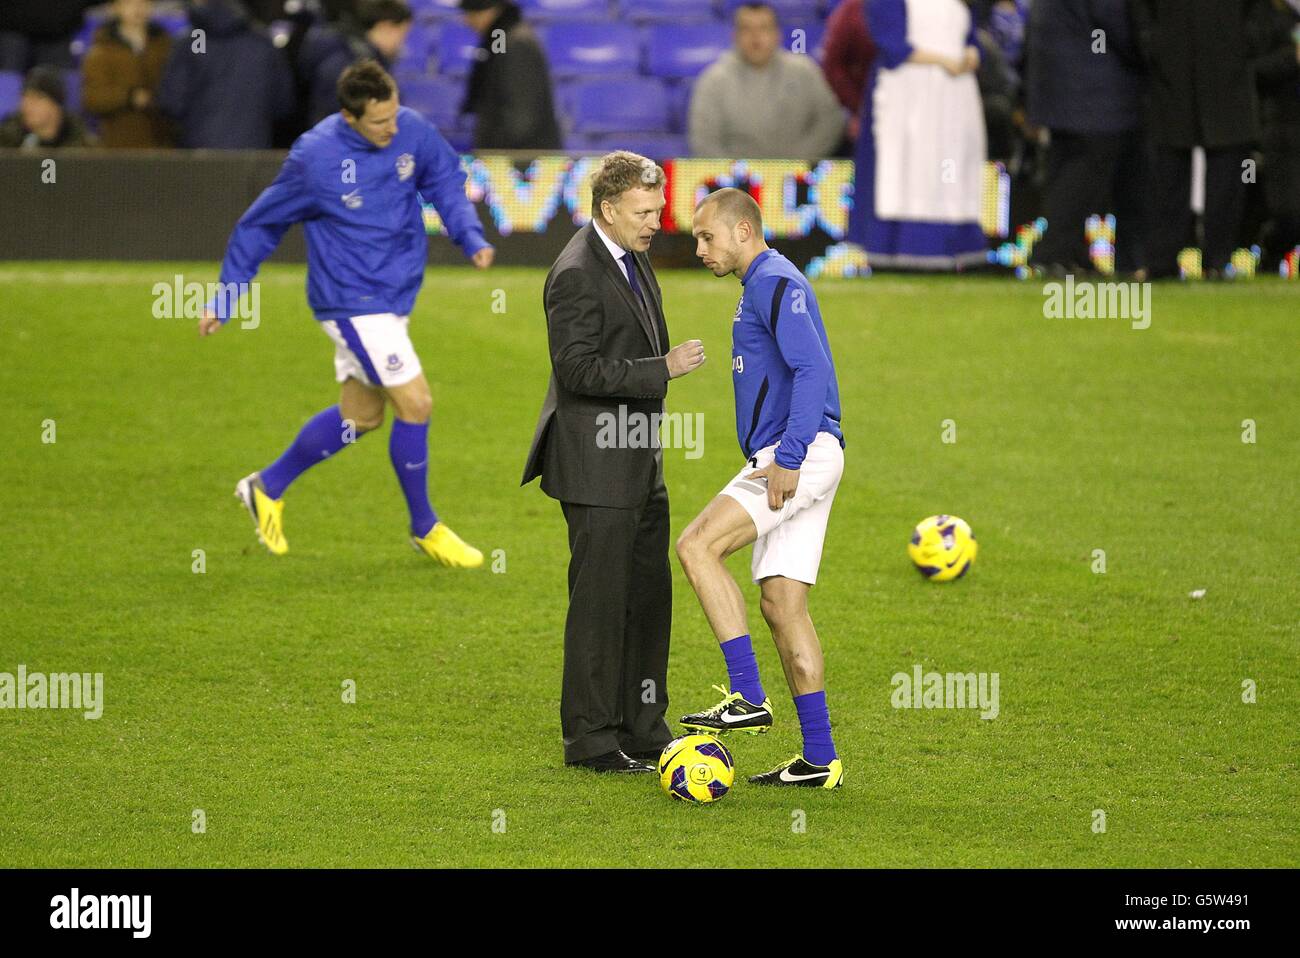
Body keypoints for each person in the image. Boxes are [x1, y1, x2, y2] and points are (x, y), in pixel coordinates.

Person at [200, 61, 495, 566]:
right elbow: (258, 226)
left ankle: (265, 486)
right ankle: (425, 526)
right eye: (379, 122)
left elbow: (446, 180)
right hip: (351, 302)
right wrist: (228, 295)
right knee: (417, 402)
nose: (391, 129)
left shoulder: (410, 129)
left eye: (393, 115)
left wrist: (468, 234)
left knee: (360, 417)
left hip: (393, 297)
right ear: (349, 116)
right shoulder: (315, 157)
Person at [520, 151, 706, 773]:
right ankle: (593, 741)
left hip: (637, 459)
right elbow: (575, 369)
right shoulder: (576, 272)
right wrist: (664, 369)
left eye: (658, 210)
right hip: (597, 467)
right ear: (608, 209)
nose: (657, 222)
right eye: (644, 212)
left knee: (648, 598)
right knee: (600, 604)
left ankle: (644, 725)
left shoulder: (631, 256)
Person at [678, 188, 845, 790]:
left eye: (706, 236)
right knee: (781, 605)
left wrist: (790, 456)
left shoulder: (776, 280)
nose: (699, 248)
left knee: (697, 545)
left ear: (744, 229)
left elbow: (812, 370)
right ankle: (820, 757)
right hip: (797, 453)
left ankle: (747, 694)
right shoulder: (763, 284)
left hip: (796, 453)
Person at [1131, 0, 1274, 278]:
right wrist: (1151, 41)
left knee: (1227, 180)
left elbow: (1260, 11)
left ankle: (1218, 262)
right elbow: (1139, 10)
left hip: (1227, 75)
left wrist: (1246, 42)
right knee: (1168, 178)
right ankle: (1161, 262)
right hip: (1172, 75)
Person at [849, 0, 987, 270]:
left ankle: (955, 248)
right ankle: (897, 248)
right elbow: (893, 46)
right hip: (907, 95)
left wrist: (971, 54)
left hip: (954, 95)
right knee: (906, 168)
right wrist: (944, 59)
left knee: (950, 170)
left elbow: (970, 36)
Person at [1025, 0, 1146, 274]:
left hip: (1061, 86)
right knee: (1085, 169)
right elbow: (1114, 22)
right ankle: (1052, 252)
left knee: (1066, 168)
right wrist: (1148, 51)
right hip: (1094, 90)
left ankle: (1072, 254)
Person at [689, 2, 844, 160]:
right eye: (746, 29)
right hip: (736, 181)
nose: (755, 37)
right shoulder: (713, 80)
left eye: (763, 28)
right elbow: (704, 141)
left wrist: (796, 162)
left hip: (799, 175)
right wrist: (738, 175)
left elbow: (831, 119)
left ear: (777, 34)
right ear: (734, 36)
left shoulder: (805, 70)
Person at [156, 0, 295, 149]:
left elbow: (172, 102)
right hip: (252, 153)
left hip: (198, 153)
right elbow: (282, 104)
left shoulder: (192, 42)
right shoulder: (262, 42)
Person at [459, 0, 561, 151]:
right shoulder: (500, 37)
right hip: (513, 156)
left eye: (471, 14)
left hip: (523, 160)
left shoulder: (516, 42)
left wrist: (495, 151)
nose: (466, 21)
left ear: (490, 11)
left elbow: (521, 115)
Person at [301, 0, 413, 127]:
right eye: (403, 34)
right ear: (385, 27)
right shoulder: (356, 69)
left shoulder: (355, 57)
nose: (402, 43)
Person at [80, 0, 174, 149]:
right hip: (120, 145)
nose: (138, 8)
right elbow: (92, 98)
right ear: (115, 8)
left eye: (143, 3)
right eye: (129, 3)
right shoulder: (101, 52)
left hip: (162, 143)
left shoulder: (166, 46)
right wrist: (129, 96)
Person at [0, 65, 96, 148]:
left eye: (37, 98)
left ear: (56, 105)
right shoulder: (8, 138)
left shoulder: (80, 143)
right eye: (24, 98)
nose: (26, 105)